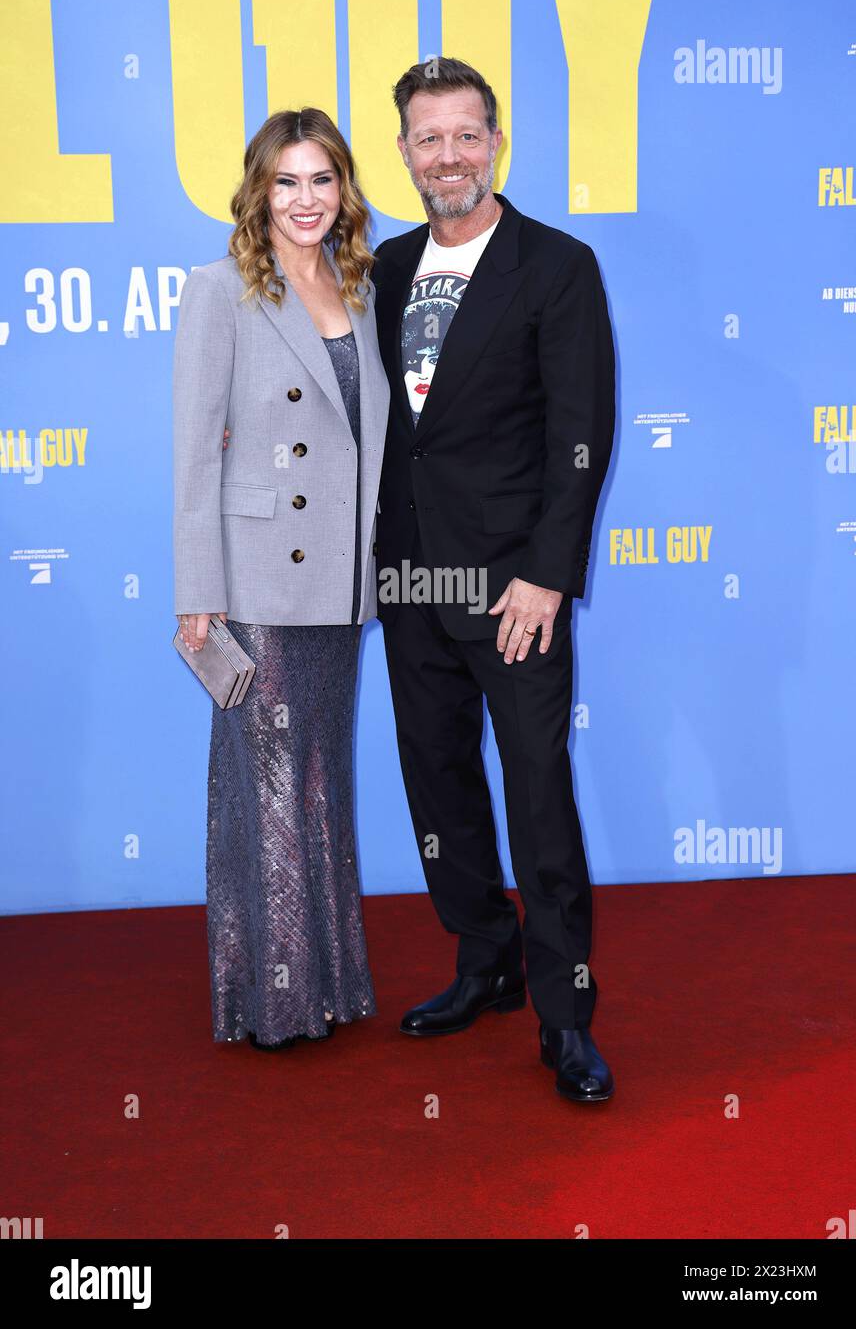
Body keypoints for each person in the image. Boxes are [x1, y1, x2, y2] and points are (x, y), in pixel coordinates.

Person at [371, 58, 617, 1102]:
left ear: (497, 142)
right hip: (411, 581)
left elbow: (581, 433)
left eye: (466, 135)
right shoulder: (382, 267)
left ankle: (567, 1017)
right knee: (439, 783)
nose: (448, 157)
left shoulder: (556, 265)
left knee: (537, 794)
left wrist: (546, 579)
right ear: (404, 156)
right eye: (428, 139)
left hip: (512, 588)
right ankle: (485, 960)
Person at [173, 108, 390, 1050]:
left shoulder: (366, 287)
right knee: (266, 790)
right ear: (259, 191)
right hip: (259, 580)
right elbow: (192, 459)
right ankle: (275, 1003)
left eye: (322, 180)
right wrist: (197, 591)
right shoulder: (219, 291)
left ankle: (327, 983)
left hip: (339, 587)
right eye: (286, 182)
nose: (305, 200)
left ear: (344, 190)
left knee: (318, 781)